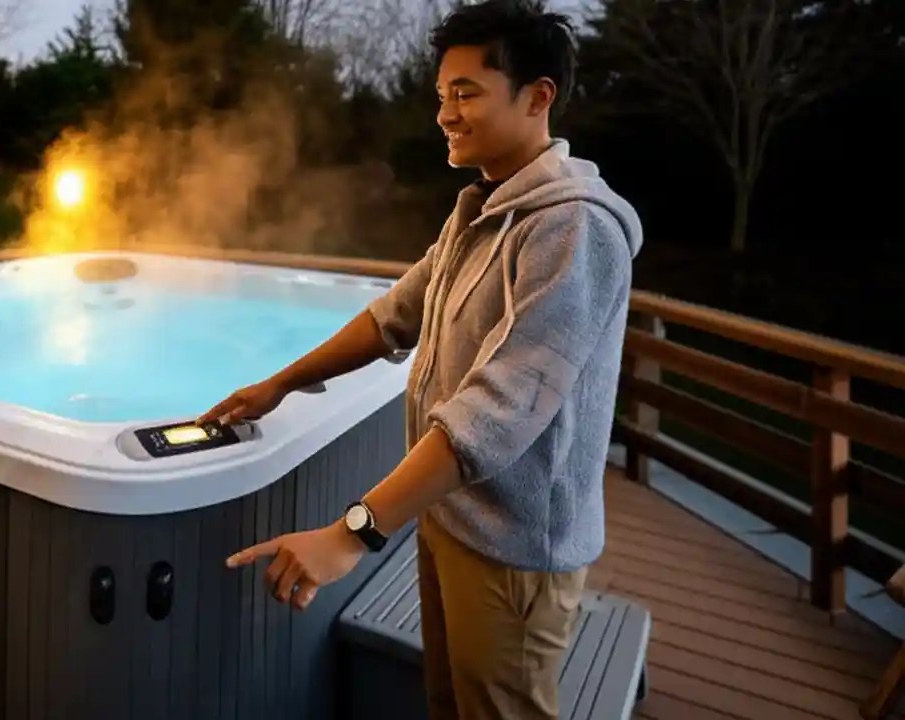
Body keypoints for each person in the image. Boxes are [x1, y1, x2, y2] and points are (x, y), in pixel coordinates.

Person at [197, 1, 643, 718]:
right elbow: (394, 316)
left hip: (516, 552)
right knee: (448, 705)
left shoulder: (575, 228)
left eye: (465, 92)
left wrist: (353, 533)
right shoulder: (479, 210)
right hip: (453, 520)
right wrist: (279, 384)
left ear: (538, 97)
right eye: (441, 95)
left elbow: (497, 412)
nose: (445, 113)